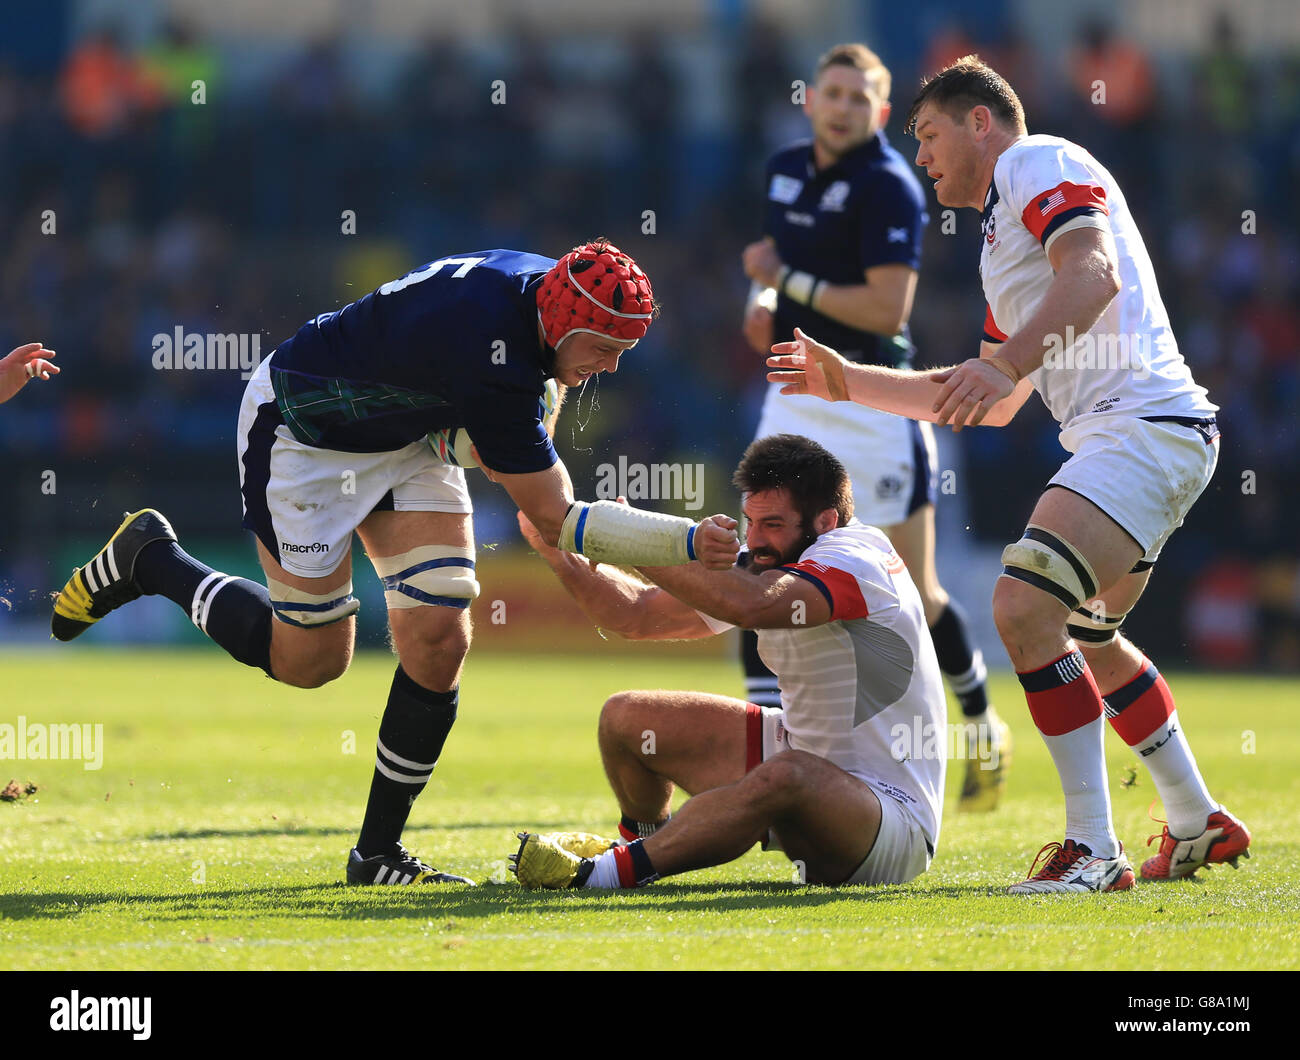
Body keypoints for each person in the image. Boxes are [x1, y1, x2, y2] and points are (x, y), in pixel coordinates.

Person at [51, 240, 739, 886]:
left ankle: (376, 853)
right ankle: (154, 560)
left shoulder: (545, 289)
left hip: (409, 436)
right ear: (561, 322)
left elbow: (532, 417)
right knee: (312, 661)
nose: (612, 366)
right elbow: (556, 516)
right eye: (604, 348)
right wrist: (687, 542)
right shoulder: (491, 357)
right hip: (304, 435)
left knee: (440, 639)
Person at [766, 57, 1250, 892]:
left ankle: (1093, 849)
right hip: (1147, 436)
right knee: (1089, 639)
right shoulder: (1002, 243)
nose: (920, 158)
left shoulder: (1038, 160)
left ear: (979, 122)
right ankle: (1196, 817)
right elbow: (983, 401)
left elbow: (1092, 274)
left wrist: (1010, 362)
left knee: (1022, 606)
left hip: (1142, 428)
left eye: (926, 135)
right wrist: (843, 377)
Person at [740, 42, 1006, 811]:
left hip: (871, 400)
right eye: (834, 92)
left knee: (912, 594)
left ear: (881, 113)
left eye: (862, 98)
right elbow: (770, 278)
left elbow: (887, 310)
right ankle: (766, 757)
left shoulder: (891, 184)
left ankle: (983, 727)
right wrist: (762, 307)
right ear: (810, 100)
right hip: (792, 395)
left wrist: (780, 281)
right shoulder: (784, 169)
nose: (845, 106)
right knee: (761, 571)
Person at [508, 434, 945, 891]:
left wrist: (629, 537)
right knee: (626, 719)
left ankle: (606, 875)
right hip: (804, 761)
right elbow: (634, 615)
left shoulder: (855, 558)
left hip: (889, 823)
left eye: (773, 524)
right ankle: (638, 850)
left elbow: (752, 605)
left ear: (826, 521)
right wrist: (560, 554)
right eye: (750, 521)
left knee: (788, 772)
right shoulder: (775, 560)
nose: (755, 540)